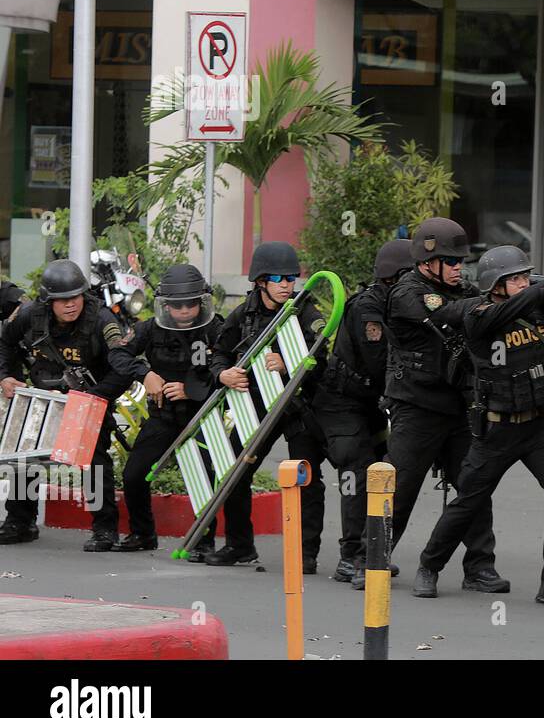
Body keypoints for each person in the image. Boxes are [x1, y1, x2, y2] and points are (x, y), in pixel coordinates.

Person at [411, 245, 544, 602]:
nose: (525, 283)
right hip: (497, 430)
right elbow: (517, 306)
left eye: (527, 276)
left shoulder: (534, 303)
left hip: (538, 427)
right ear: (495, 283)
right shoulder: (477, 314)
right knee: (468, 500)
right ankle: (430, 565)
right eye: (516, 278)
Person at [380, 218, 506, 593]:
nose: (457, 269)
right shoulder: (408, 293)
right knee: (400, 487)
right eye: (450, 262)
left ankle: (480, 567)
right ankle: (371, 559)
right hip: (417, 406)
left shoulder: (462, 290)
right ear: (426, 261)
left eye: (460, 262)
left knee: (473, 487)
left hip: (458, 406)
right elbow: (444, 315)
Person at [206, 242, 329, 570]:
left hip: (298, 405)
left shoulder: (305, 310)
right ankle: (240, 546)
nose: (288, 285)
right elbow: (219, 351)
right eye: (279, 278)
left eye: (292, 277)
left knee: (305, 477)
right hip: (256, 405)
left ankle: (306, 554)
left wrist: (291, 362)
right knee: (233, 469)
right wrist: (224, 374)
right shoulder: (244, 313)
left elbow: (325, 355)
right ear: (260, 281)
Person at [0, 260, 132, 550]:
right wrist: (7, 376)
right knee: (25, 455)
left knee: (94, 462)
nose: (71, 305)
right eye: (62, 300)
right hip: (41, 395)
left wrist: (95, 397)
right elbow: (5, 343)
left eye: (76, 297)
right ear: (49, 301)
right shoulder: (29, 314)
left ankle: (104, 528)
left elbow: (123, 367)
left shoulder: (102, 320)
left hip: (88, 399)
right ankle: (20, 521)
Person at [108, 264, 223, 556]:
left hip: (202, 416)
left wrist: (190, 388)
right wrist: (144, 373)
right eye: (177, 305)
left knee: (204, 477)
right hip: (163, 415)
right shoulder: (150, 328)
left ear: (202, 302)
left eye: (191, 304)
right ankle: (142, 534)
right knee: (134, 475)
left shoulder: (217, 329)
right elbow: (118, 353)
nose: (184, 311)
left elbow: (232, 370)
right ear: (165, 305)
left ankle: (204, 542)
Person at [312, 239, 409, 584]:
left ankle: (373, 550)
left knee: (383, 470)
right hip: (340, 402)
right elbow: (379, 361)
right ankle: (350, 555)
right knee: (356, 471)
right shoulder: (368, 309)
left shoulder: (395, 305)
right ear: (393, 278)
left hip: (367, 403)